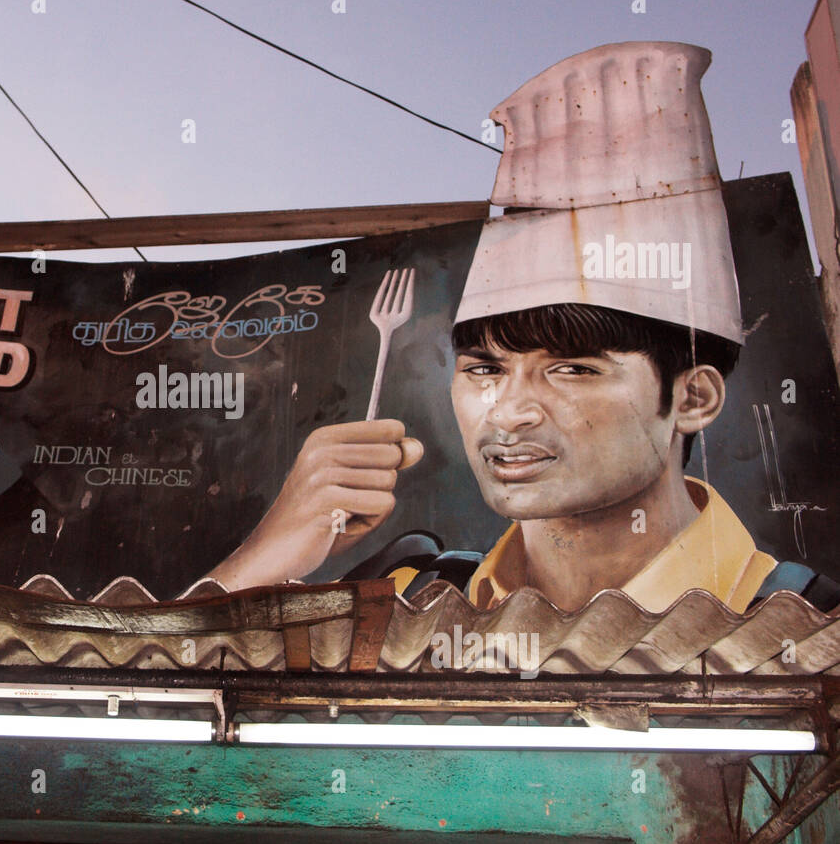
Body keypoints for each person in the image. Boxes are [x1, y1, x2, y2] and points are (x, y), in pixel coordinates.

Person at [207, 42, 838, 614]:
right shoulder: (413, 593)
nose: (508, 415)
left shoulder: (803, 620)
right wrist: (263, 559)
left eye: (573, 368)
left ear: (693, 397)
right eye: (485, 368)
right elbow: (170, 709)